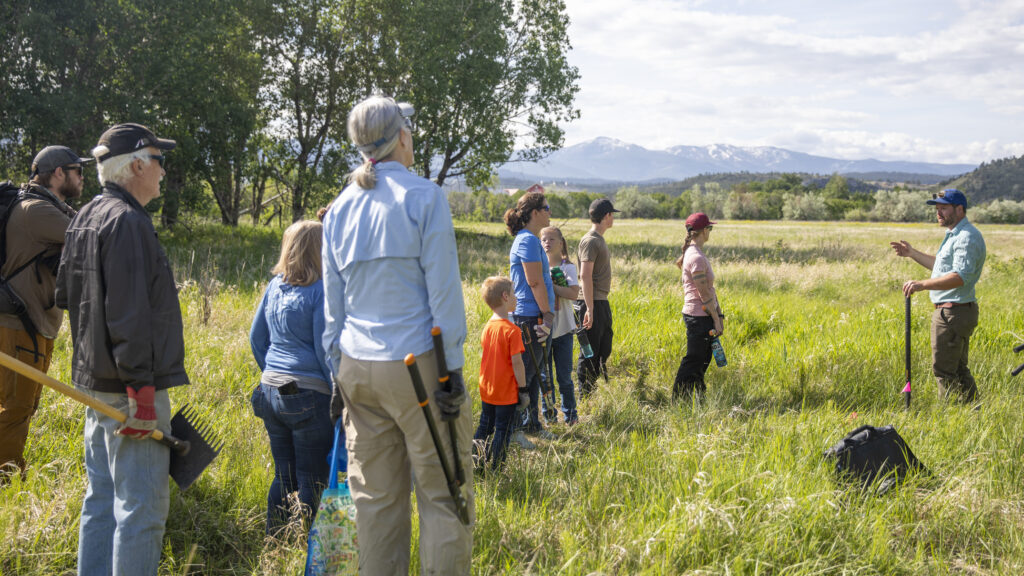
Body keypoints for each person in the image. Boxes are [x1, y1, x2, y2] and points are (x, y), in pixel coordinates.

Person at [322, 96, 472, 575]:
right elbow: (444, 296)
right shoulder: (424, 197)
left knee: (376, 504)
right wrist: (452, 372)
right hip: (416, 367)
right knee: (444, 495)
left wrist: (335, 375)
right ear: (402, 137)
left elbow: (333, 308)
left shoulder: (341, 208)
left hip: (355, 368)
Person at [55, 123, 185, 575]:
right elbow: (129, 314)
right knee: (141, 511)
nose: (163, 173)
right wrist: (142, 392)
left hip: (96, 383)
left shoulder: (88, 214)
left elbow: (66, 298)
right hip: (130, 392)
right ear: (136, 165)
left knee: (103, 501)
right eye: (158, 161)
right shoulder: (127, 221)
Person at [0, 146, 87, 475]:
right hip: (19, 322)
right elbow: (93, 235)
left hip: (32, 322)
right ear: (59, 173)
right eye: (78, 170)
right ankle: (6, 479)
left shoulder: (47, 207)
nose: (82, 177)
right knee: (17, 406)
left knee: (21, 404)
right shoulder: (36, 210)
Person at [250, 220, 334, 535]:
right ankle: (307, 546)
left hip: (270, 389)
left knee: (283, 475)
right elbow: (324, 352)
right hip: (309, 394)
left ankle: (276, 540)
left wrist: (274, 376)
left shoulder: (274, 286)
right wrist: (340, 394)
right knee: (312, 477)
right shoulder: (321, 291)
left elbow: (256, 340)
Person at [890, 188, 986, 403]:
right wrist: (912, 254)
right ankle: (973, 413)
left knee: (944, 370)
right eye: (937, 208)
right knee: (958, 369)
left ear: (959, 209)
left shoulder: (966, 237)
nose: (938, 213)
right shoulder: (955, 234)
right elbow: (942, 269)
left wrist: (922, 285)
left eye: (944, 208)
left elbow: (959, 276)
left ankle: (950, 416)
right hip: (954, 311)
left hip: (953, 313)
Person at [504, 191, 556, 446]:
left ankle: (533, 424)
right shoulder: (528, 241)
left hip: (531, 314)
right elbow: (534, 281)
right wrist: (546, 315)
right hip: (529, 315)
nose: (549, 212)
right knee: (524, 374)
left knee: (535, 374)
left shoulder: (529, 239)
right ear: (534, 213)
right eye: (546, 208)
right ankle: (513, 431)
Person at [473, 276, 527, 470]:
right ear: (505, 296)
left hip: (487, 390)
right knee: (502, 430)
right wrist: (524, 390)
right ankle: (496, 469)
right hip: (506, 393)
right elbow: (517, 363)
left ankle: (476, 464)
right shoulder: (512, 331)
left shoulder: (488, 327)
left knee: (484, 427)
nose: (516, 297)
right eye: (513, 293)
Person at [672, 213, 724, 399]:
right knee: (694, 359)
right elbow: (704, 292)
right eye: (709, 228)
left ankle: (697, 395)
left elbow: (709, 289)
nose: (710, 231)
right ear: (703, 231)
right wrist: (716, 320)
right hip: (699, 316)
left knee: (703, 358)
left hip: (704, 315)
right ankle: (678, 399)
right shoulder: (696, 257)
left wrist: (718, 313)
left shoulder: (694, 253)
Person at [576, 197, 619, 395]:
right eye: (612, 215)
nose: (613, 219)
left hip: (600, 301)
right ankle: (585, 394)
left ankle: (591, 389)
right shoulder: (591, 240)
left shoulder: (598, 239)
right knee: (590, 351)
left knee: (603, 347)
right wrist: (590, 309)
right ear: (607, 216)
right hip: (591, 302)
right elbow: (585, 275)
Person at [540, 226, 580, 424]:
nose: (547, 243)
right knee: (545, 377)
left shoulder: (568, 268)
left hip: (563, 328)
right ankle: (549, 417)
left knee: (564, 376)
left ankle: (570, 415)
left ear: (561, 243)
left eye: (552, 239)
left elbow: (573, 294)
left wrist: (550, 285)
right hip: (543, 330)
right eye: (544, 239)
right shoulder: (537, 268)